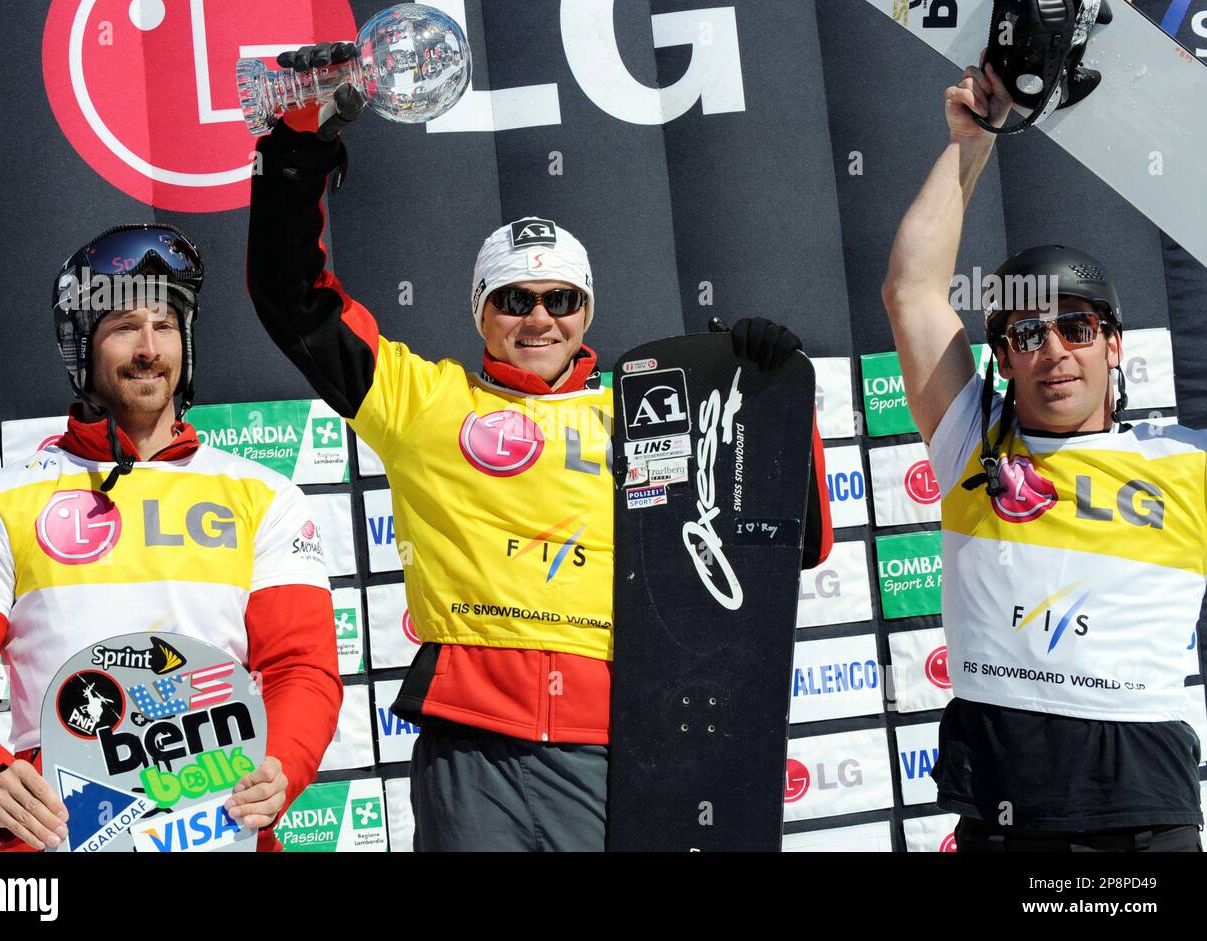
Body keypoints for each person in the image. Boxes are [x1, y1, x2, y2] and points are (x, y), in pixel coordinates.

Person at [247, 43, 833, 851]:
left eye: (561, 298)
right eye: (513, 299)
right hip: (473, 749)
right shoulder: (424, 403)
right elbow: (293, 298)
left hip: (618, 742)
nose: (538, 318)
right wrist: (297, 151)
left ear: (586, 312)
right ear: (480, 313)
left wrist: (773, 401)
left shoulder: (649, 413)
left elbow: (783, 546)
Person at [0, 224, 342, 852]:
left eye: (165, 325)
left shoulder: (264, 495)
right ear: (81, 346)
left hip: (222, 828)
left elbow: (302, 669)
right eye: (122, 326)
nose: (148, 347)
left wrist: (283, 766)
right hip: (64, 833)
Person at [882, 56, 1204, 851]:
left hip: (1145, 809)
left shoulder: (1187, 463)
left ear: (1114, 345)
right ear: (1006, 356)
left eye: (1077, 328)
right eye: (1028, 333)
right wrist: (970, 141)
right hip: (1003, 810)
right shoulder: (971, 444)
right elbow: (914, 293)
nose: (1054, 349)